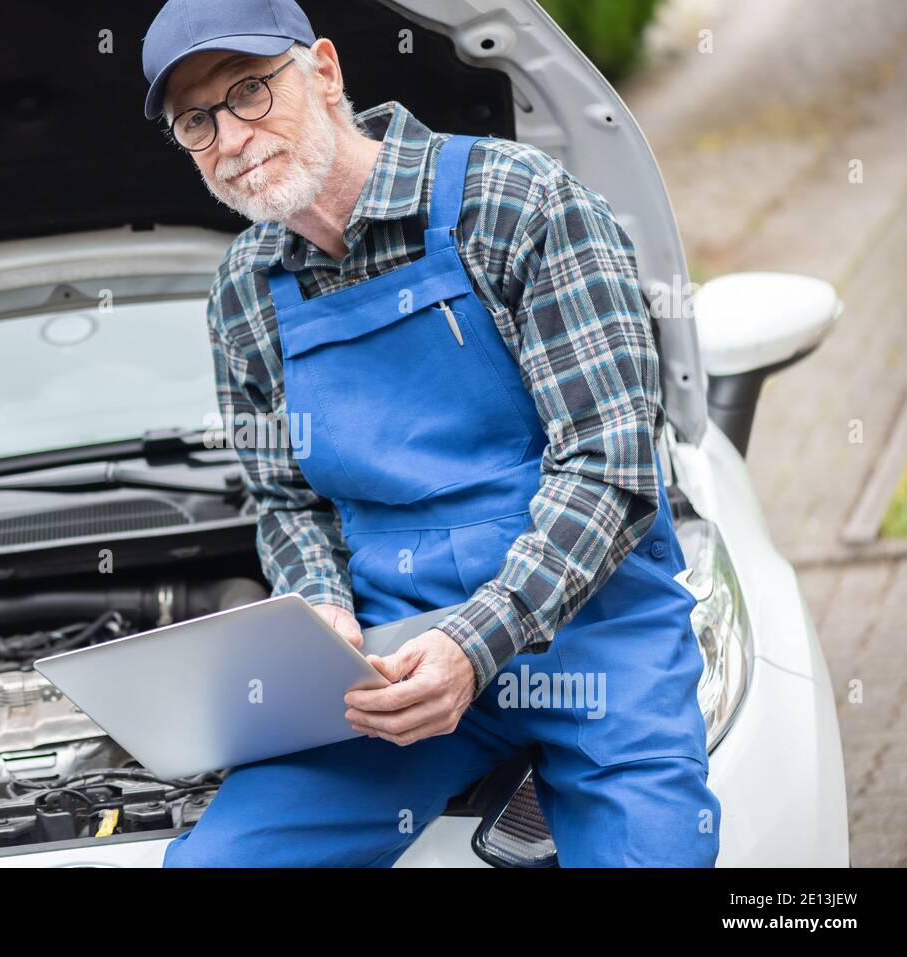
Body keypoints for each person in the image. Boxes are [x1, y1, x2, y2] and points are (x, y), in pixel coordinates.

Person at [141, 0, 720, 867]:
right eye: (198, 119)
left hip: (598, 636)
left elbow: (612, 464)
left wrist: (477, 641)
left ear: (325, 72)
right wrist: (322, 607)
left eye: (251, 90)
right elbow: (285, 498)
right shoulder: (244, 290)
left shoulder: (517, 200)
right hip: (393, 661)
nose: (231, 135)